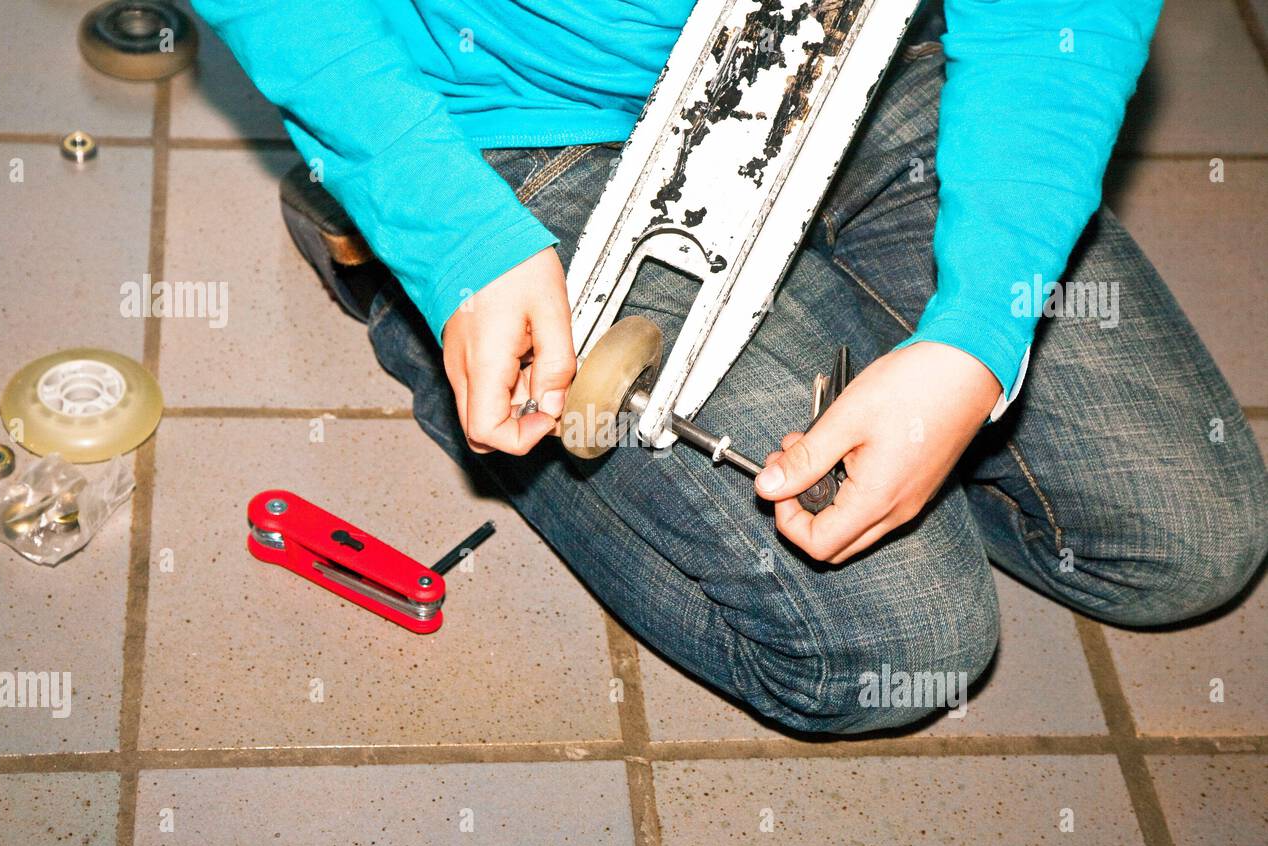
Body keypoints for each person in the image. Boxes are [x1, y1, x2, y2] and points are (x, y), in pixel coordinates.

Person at [195, 0, 1267, 733]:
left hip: (860, 51)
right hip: (517, 114)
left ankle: (854, 343)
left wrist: (979, 339)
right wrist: (442, 228)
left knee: (1189, 538)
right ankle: (408, 287)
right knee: (903, 635)